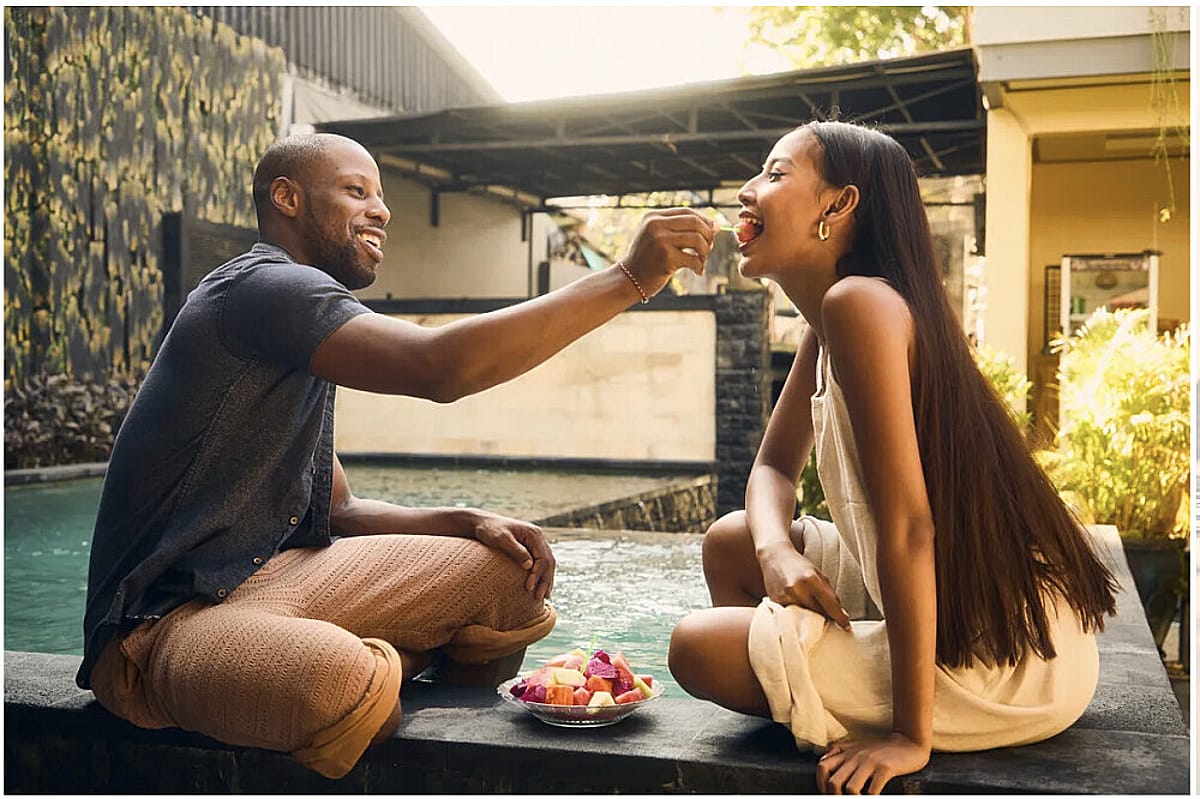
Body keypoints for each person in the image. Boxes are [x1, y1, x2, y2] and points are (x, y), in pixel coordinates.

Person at [78, 132, 716, 779]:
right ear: (287, 197)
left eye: (381, 196)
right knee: (346, 685)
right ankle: (380, 671)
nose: (381, 210)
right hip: (158, 628)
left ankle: (393, 685)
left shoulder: (295, 324)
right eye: (357, 191)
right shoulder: (262, 288)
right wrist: (628, 276)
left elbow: (342, 508)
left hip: (271, 581)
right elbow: (438, 367)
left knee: (504, 576)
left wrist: (471, 520)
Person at [667, 121, 1118, 795]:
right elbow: (771, 471)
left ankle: (848, 704)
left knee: (694, 646)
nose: (746, 190)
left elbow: (910, 528)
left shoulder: (860, 305)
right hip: (975, 604)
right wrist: (774, 551)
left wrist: (912, 736)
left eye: (776, 173)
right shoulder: (832, 319)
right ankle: (813, 691)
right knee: (732, 540)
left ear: (838, 205)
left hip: (1005, 654)